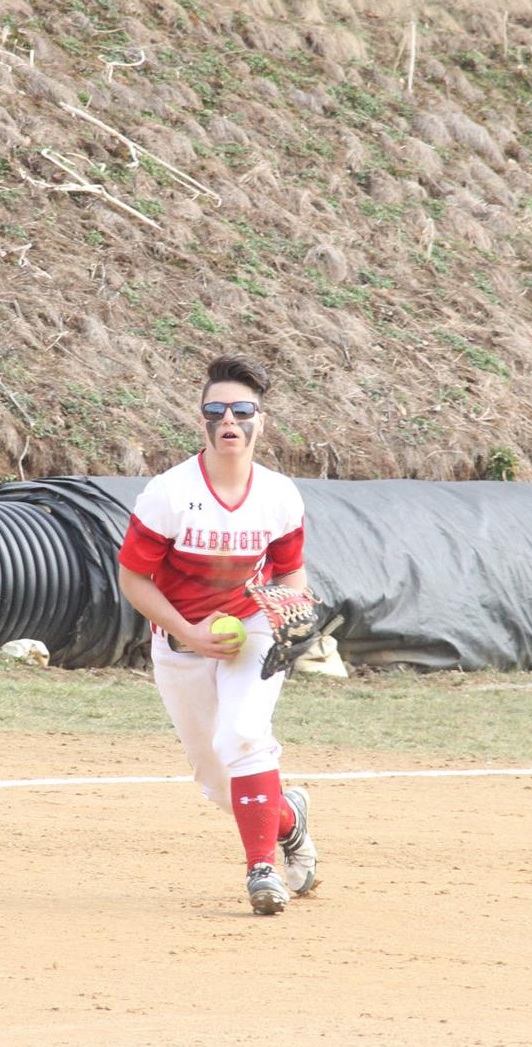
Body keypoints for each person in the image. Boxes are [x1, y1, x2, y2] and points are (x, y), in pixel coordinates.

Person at [116, 354, 319, 916]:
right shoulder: (169, 493)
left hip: (249, 626)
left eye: (242, 409)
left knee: (244, 734)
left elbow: (289, 570)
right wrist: (188, 632)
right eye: (217, 409)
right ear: (202, 421)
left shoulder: (279, 495)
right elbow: (132, 576)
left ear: (261, 421)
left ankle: (261, 872)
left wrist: (290, 608)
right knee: (215, 778)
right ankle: (287, 818)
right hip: (180, 637)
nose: (229, 419)